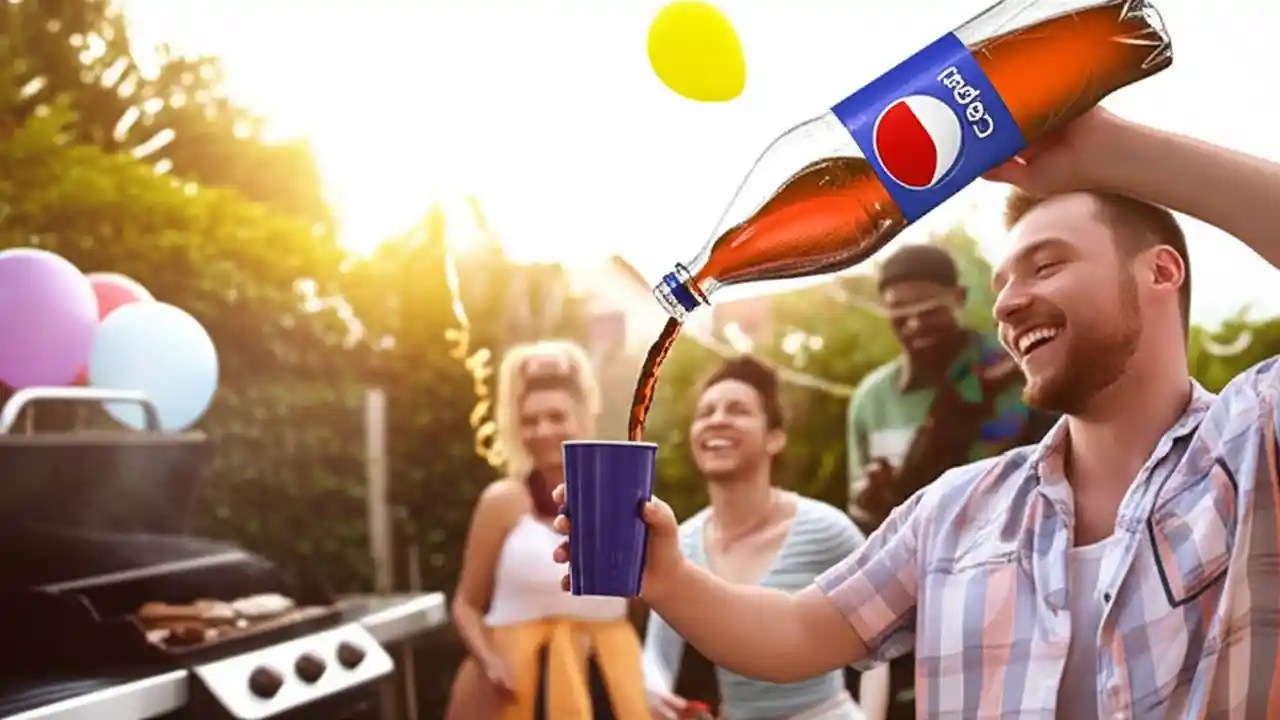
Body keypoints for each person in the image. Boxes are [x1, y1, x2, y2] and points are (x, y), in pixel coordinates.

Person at [552, 107, 1280, 717]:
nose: (1007, 301)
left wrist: (1117, 150)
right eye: (1001, 281)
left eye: (1047, 264)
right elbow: (800, 632)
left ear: (1161, 271)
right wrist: (667, 577)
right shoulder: (957, 511)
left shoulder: (1252, 447)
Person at [641, 357, 890, 720]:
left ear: (775, 437)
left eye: (737, 409)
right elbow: (656, 656)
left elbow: (883, 633)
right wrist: (651, 690)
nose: (717, 420)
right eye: (706, 412)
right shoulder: (681, 542)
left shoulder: (825, 529)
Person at [446, 340, 647, 720]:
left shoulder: (621, 496)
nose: (543, 429)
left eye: (556, 416)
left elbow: (642, 600)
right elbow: (465, 605)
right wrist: (489, 663)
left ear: (583, 417)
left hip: (609, 681)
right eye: (530, 420)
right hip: (510, 687)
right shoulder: (502, 501)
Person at [847, 243, 1057, 531]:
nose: (915, 324)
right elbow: (860, 504)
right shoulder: (872, 398)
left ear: (959, 298)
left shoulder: (1012, 367)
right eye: (900, 314)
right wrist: (872, 495)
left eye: (930, 311)